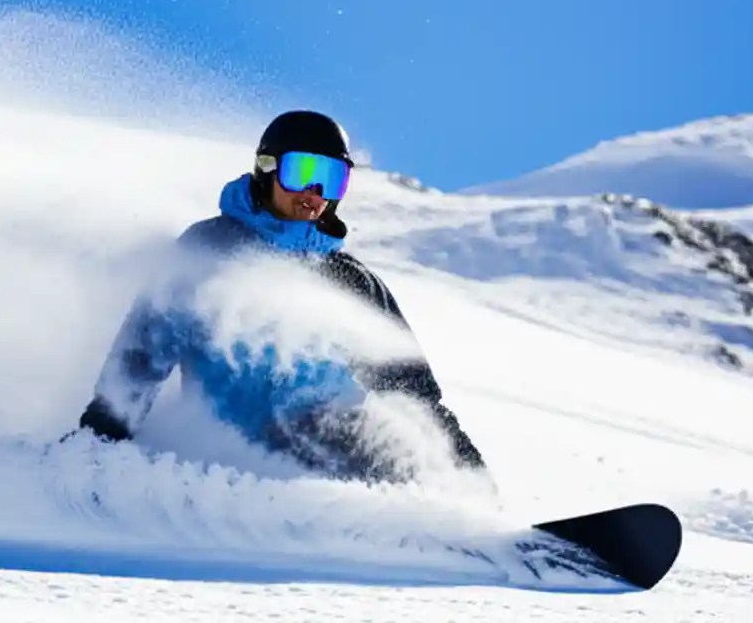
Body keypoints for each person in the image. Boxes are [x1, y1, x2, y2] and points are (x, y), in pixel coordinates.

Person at [74, 110, 485, 484]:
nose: (314, 189)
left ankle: (452, 520)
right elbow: (144, 349)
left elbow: (417, 397)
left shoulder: (352, 281)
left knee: (393, 438)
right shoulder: (211, 248)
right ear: (267, 168)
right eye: (302, 169)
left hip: (335, 458)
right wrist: (98, 441)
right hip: (234, 454)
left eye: (332, 177)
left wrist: (480, 495)